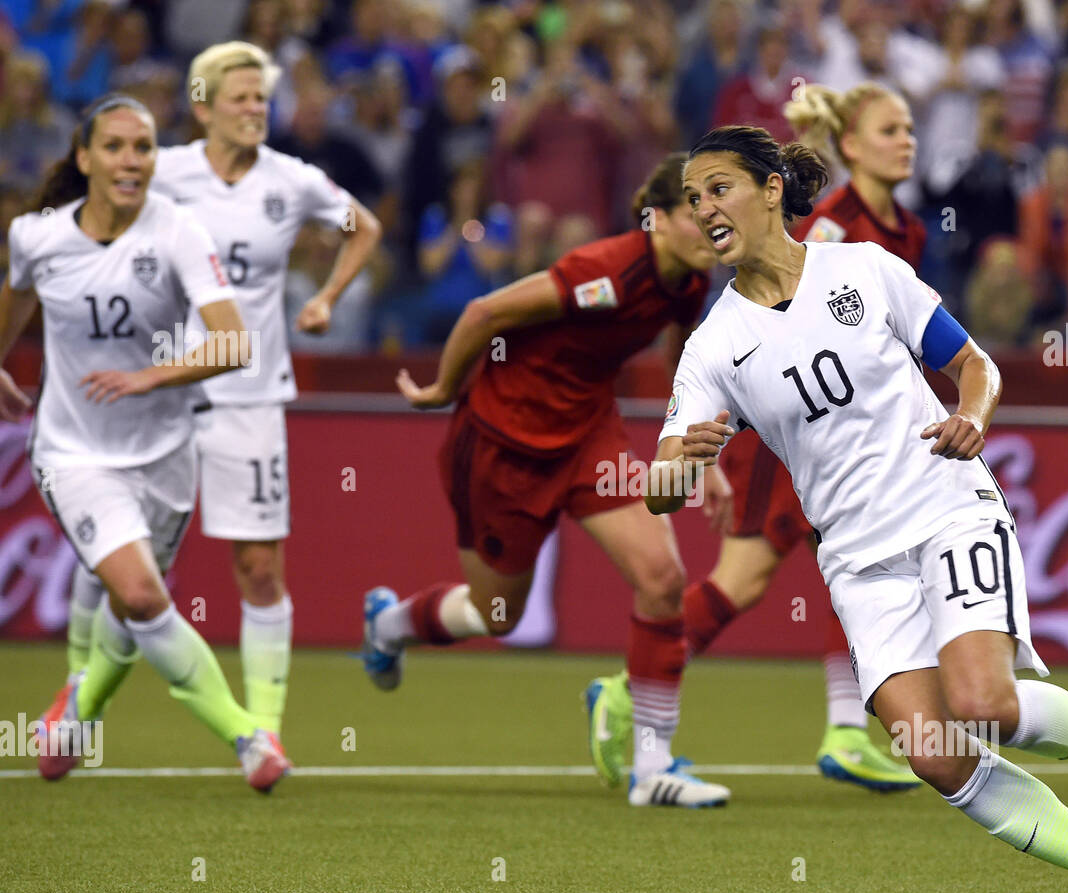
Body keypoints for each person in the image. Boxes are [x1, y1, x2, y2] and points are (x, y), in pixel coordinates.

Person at [651, 124, 1068, 893]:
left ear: (772, 188)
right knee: (932, 750)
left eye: (719, 188)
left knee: (983, 704)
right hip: (856, 558)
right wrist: (684, 462)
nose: (705, 208)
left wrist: (972, 417)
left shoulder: (861, 268)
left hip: (943, 505)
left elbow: (975, 367)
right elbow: (657, 487)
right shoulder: (713, 347)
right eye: (693, 197)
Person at [361, 153, 735, 808]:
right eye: (697, 209)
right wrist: (443, 388)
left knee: (663, 577)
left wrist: (693, 451)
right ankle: (390, 625)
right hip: (504, 443)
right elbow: (483, 313)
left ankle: (652, 768)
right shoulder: (606, 271)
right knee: (495, 612)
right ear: (660, 219)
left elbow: (687, 360)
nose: (712, 222)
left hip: (590, 438)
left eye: (716, 207)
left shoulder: (689, 283)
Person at [590, 81, 925, 794]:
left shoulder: (905, 230)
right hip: (791, 431)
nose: (908, 140)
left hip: (851, 435)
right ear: (854, 144)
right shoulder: (829, 230)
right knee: (743, 582)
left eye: (910, 128)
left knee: (862, 565)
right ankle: (629, 687)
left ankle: (844, 730)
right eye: (891, 129)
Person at [62, 42, 382, 744]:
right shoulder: (162, 172)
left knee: (261, 566)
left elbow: (366, 226)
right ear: (203, 107)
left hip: (250, 393)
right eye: (238, 98)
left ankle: (262, 731)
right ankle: (81, 706)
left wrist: (328, 295)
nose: (254, 110)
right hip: (161, 392)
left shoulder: (291, 181)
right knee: (136, 567)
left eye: (262, 98)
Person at [0, 94, 290, 790]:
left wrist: (148, 378)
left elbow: (233, 341)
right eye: (116, 147)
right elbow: (12, 304)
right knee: (137, 593)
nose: (131, 161)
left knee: (135, 609)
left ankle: (78, 707)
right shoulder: (36, 238)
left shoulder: (179, 231)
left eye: (144, 148)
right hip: (74, 454)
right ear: (84, 158)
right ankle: (249, 737)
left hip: (165, 453)